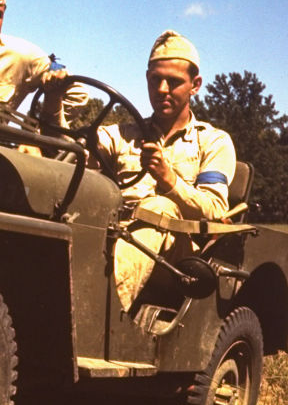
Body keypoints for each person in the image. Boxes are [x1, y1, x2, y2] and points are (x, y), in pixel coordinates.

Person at [96, 30, 236, 311]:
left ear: (195, 85)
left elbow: (215, 209)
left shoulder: (212, 141)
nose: (161, 90)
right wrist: (54, 103)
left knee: (159, 207)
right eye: (154, 80)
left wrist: (169, 179)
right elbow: (76, 147)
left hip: (177, 264)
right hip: (111, 236)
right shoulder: (122, 134)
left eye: (173, 82)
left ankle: (108, 313)